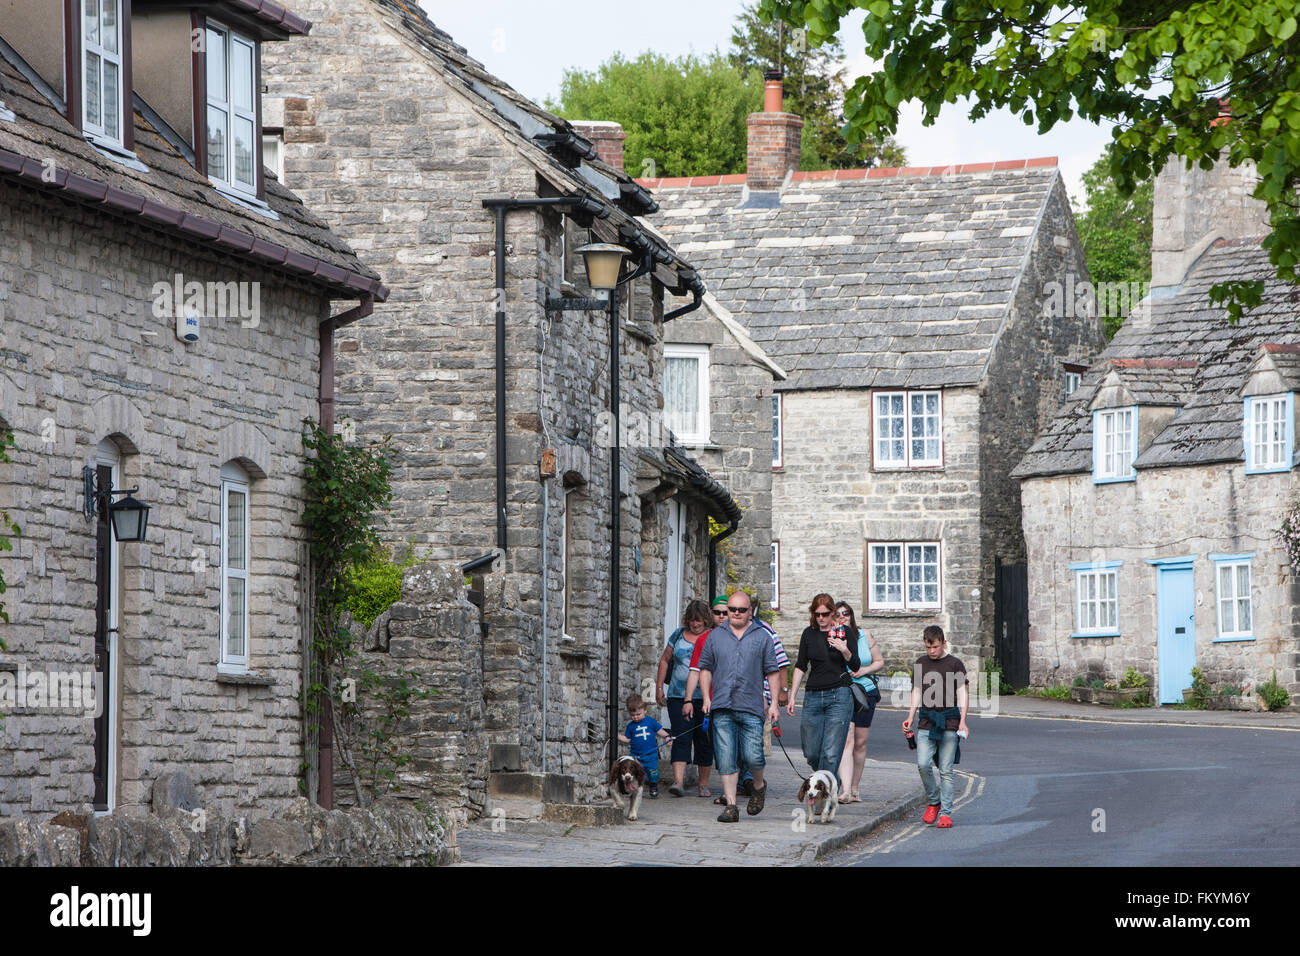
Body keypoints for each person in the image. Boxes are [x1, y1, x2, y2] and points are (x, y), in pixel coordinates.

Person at [682, 593, 788, 800]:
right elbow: (704, 669)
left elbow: (773, 671)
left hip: (752, 706)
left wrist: (774, 703)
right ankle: (730, 805)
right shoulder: (714, 636)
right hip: (722, 705)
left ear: (750, 611)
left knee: (753, 757)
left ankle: (758, 784)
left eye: (741, 610)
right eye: (732, 610)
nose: (736, 613)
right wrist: (705, 698)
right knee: (725, 757)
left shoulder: (762, 636)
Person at [786, 593, 858, 788]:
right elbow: (801, 665)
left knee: (831, 752)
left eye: (825, 614)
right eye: (817, 614)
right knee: (812, 751)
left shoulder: (844, 632)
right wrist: (792, 696)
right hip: (813, 696)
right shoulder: (808, 634)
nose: (821, 618)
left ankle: (823, 791)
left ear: (832, 613)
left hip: (839, 695)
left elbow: (856, 665)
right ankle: (830, 778)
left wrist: (844, 650)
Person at [901, 625, 969, 828]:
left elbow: (963, 693)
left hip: (949, 720)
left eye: (935, 647)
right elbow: (916, 691)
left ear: (943, 643)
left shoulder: (955, 664)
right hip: (926, 720)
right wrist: (910, 716)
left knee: (946, 770)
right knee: (923, 764)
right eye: (928, 647)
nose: (931, 651)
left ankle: (946, 813)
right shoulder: (921, 663)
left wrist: (963, 721)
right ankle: (934, 802)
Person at [655, 599, 714, 797]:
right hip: (677, 696)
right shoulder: (678, 634)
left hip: (705, 697)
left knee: (703, 739)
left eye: (699, 621)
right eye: (691, 621)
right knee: (681, 736)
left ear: (706, 620)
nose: (695, 625)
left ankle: (703, 784)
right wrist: (659, 688)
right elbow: (665, 660)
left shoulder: (713, 637)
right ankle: (678, 781)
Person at [834, 602, 883, 803]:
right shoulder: (832, 637)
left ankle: (854, 788)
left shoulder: (865, 635)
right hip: (844, 691)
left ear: (852, 615)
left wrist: (863, 670)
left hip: (865, 692)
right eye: (837, 614)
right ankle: (844, 789)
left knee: (860, 743)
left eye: (846, 613)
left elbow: (879, 661)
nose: (842, 616)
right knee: (847, 739)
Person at [618, 693, 671, 798]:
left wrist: (667, 736)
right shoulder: (631, 726)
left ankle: (653, 785)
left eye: (638, 714)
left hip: (651, 755)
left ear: (645, 710)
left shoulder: (650, 721)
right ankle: (636, 788)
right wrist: (617, 736)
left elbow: (659, 730)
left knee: (653, 772)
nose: (636, 717)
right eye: (633, 715)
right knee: (637, 773)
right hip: (637, 756)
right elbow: (627, 739)